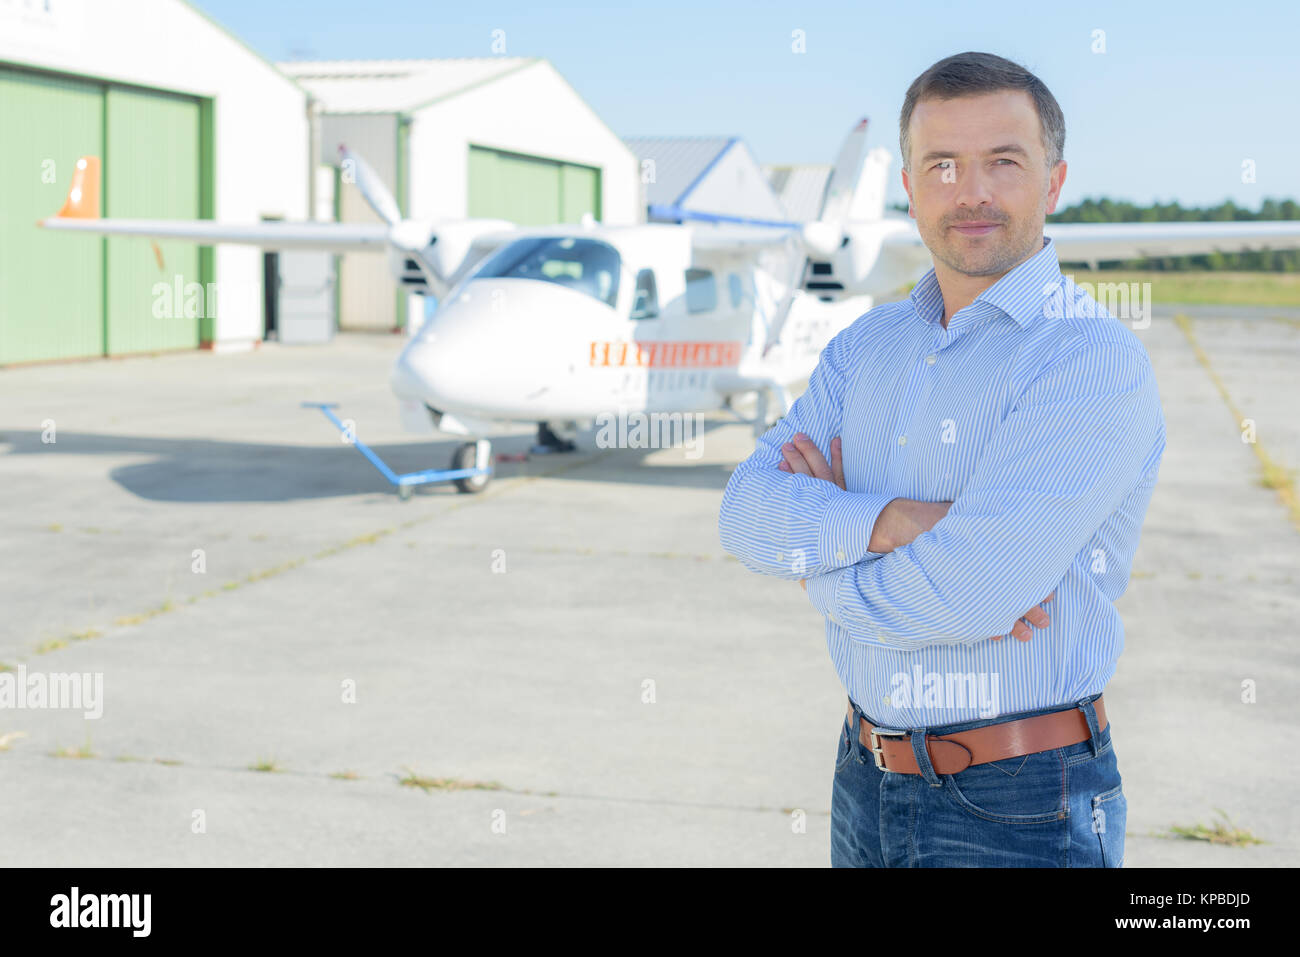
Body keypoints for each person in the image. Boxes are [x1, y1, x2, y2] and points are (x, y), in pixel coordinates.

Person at [717, 51, 1165, 867]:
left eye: (1004, 161)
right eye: (944, 165)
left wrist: (819, 558)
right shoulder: (865, 347)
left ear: (1054, 181)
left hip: (1021, 799)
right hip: (864, 774)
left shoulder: (1089, 361)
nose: (972, 192)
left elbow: (968, 597)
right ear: (912, 186)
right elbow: (745, 514)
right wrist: (893, 521)